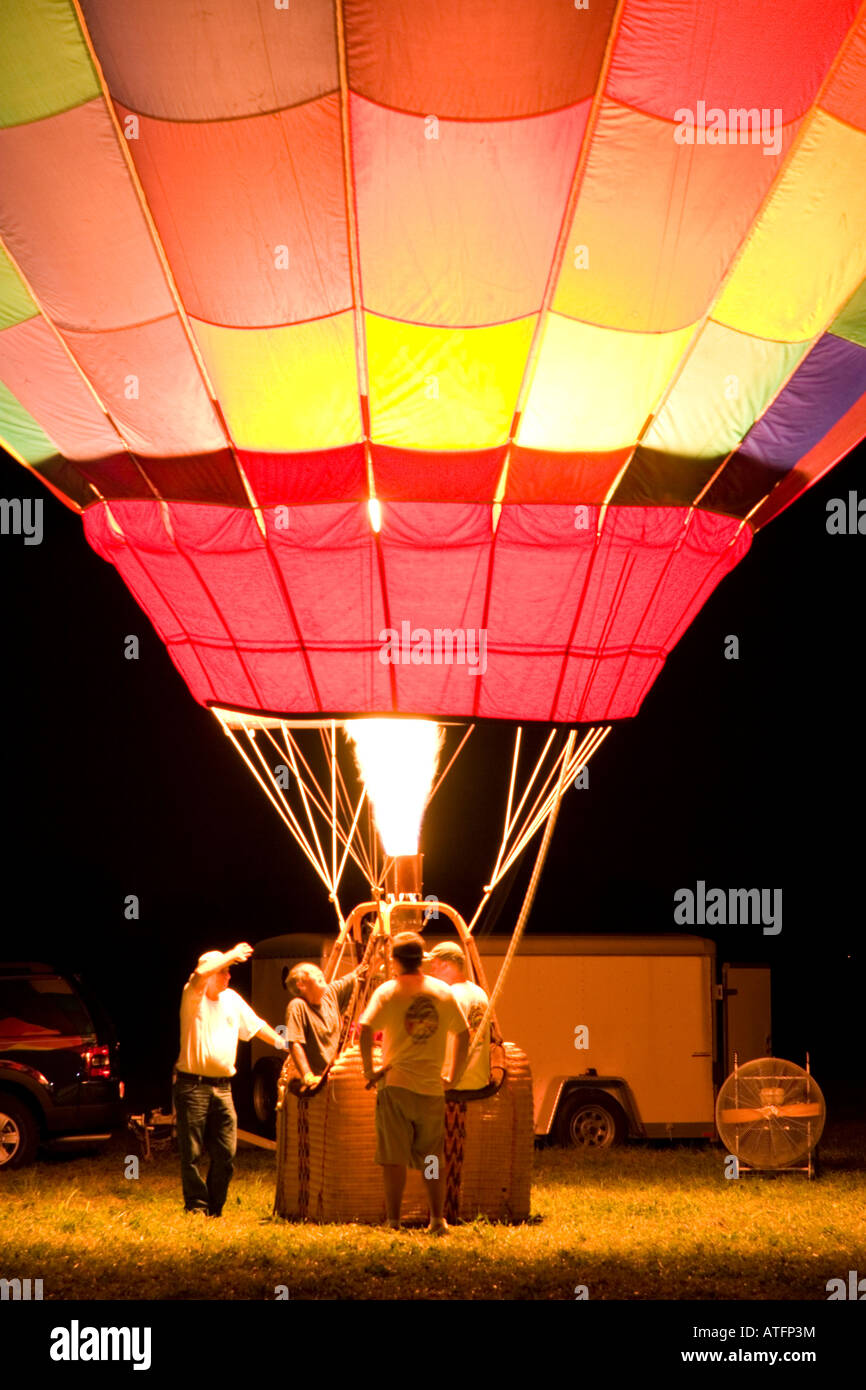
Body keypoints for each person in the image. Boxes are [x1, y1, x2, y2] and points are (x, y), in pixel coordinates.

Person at [359, 931, 469, 1234]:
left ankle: (393, 1221)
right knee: (432, 1157)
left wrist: (370, 1070)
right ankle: (437, 1219)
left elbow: (365, 1028)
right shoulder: (443, 992)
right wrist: (454, 1076)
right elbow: (464, 1033)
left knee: (393, 1158)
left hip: (395, 1085)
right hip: (432, 1088)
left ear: (394, 960)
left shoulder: (387, 991)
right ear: (423, 959)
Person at [173, 942, 289, 1217]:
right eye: (224, 971)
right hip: (193, 1085)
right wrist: (231, 955)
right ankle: (196, 1206)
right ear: (212, 972)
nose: (228, 976)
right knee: (191, 1153)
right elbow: (201, 972)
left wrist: (285, 1044)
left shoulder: (232, 999)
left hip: (223, 1088)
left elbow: (257, 1025)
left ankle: (214, 1207)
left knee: (226, 1153)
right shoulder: (193, 995)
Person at [284, 961, 363, 1087]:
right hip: (319, 1080)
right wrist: (307, 1075)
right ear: (301, 985)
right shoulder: (298, 1006)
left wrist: (377, 956)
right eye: (313, 973)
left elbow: (358, 975)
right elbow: (295, 1043)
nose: (319, 973)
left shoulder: (330, 994)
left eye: (318, 970)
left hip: (338, 1073)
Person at [425, 941, 491, 1092]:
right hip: (479, 1080)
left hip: (454, 1083)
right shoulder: (480, 993)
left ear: (445, 966)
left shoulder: (451, 996)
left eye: (434, 967)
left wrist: (451, 1080)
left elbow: (461, 1038)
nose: (431, 972)